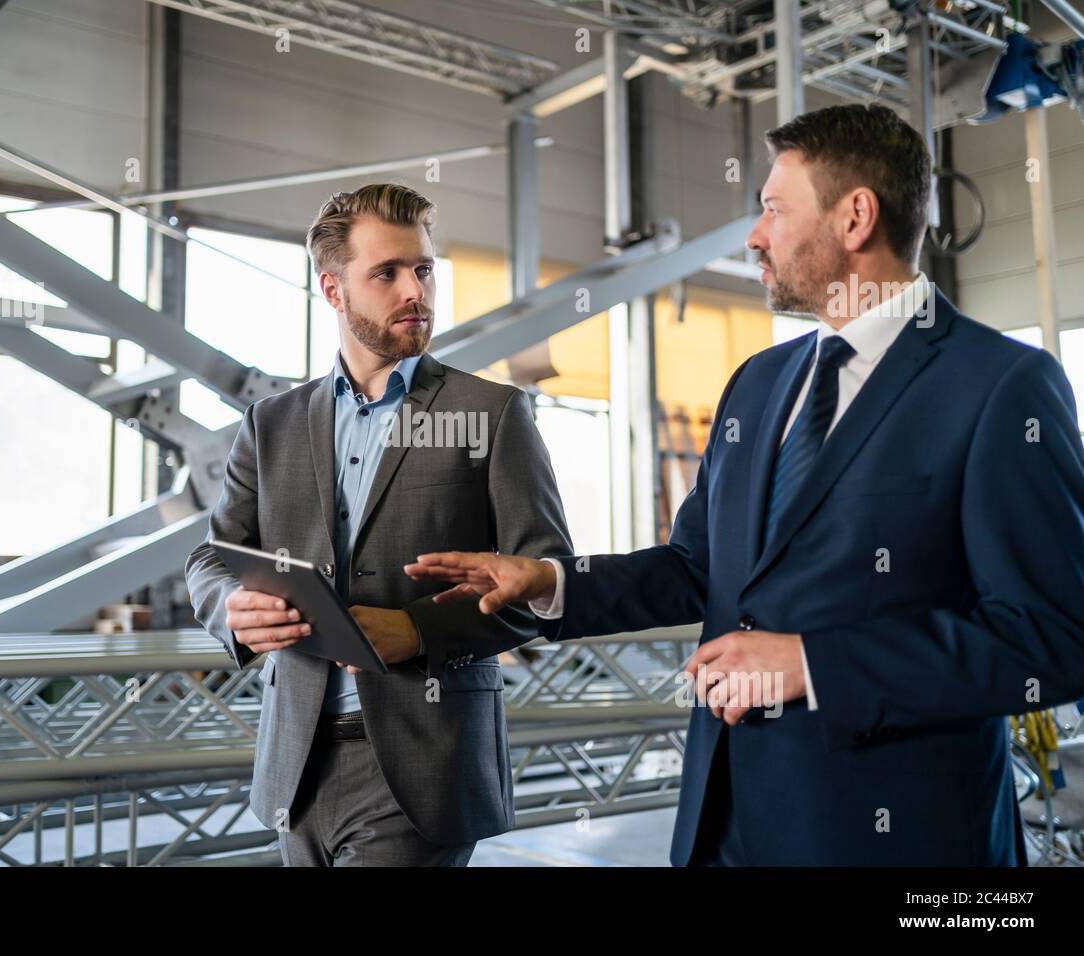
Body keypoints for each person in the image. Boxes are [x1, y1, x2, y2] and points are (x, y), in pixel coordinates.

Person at [406, 104, 1084, 866]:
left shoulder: (1001, 386)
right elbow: (698, 568)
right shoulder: (759, 384)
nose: (755, 236)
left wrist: (815, 665)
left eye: (771, 209)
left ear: (856, 216)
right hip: (724, 826)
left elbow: (1052, 638)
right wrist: (551, 581)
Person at [185, 183, 572, 866]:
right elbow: (211, 559)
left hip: (423, 763)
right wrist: (231, 609)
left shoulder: (491, 414)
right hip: (295, 764)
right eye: (387, 273)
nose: (414, 291)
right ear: (333, 291)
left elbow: (544, 589)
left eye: (422, 269)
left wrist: (419, 630)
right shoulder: (270, 424)